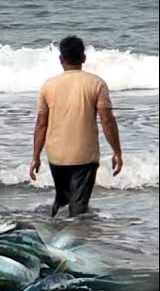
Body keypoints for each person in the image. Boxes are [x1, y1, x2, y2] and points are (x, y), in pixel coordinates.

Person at [28, 35, 123, 218]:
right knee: (78, 208)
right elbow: (107, 120)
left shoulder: (48, 86)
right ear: (83, 57)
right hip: (84, 156)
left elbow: (41, 124)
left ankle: (54, 230)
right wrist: (117, 152)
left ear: (61, 59)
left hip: (56, 156)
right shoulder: (96, 84)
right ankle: (74, 233)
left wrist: (36, 156)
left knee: (62, 201)